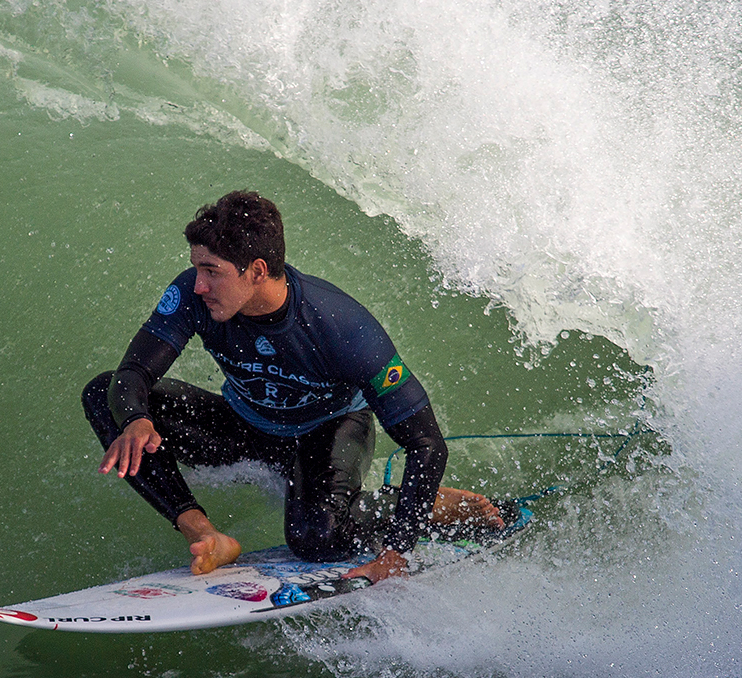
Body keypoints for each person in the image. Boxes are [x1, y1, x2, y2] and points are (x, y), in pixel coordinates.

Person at [83, 190, 501, 584]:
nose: (198, 285)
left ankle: (428, 505)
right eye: (196, 268)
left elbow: (427, 443)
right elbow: (134, 372)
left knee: (317, 540)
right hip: (249, 424)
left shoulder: (343, 328)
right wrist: (136, 419)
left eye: (212, 272)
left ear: (258, 271)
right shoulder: (194, 296)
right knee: (107, 395)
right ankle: (207, 533)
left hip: (329, 429)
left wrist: (396, 553)